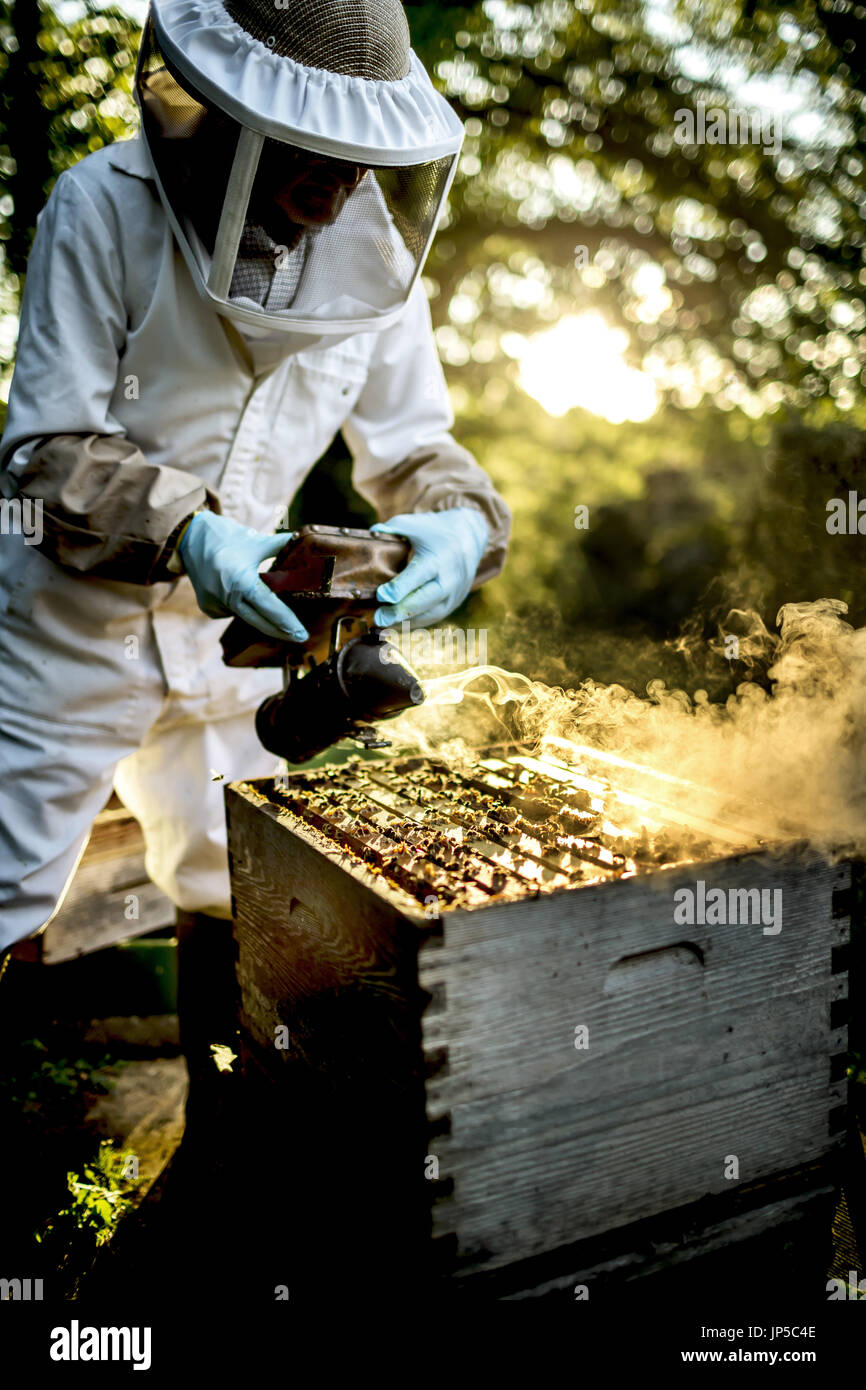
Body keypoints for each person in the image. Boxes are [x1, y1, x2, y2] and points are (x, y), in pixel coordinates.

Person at [0, 0, 510, 1129]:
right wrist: (191, 527)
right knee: (2, 889)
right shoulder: (102, 205)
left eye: (354, 163)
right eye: (308, 157)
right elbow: (42, 450)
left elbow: (418, 450)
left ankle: (222, 1153)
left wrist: (458, 527)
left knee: (243, 890)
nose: (332, 193)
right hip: (63, 630)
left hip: (239, 644)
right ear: (226, 118)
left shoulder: (375, 264)